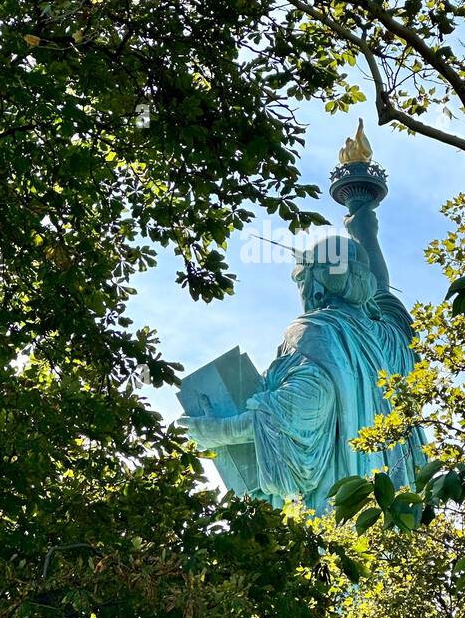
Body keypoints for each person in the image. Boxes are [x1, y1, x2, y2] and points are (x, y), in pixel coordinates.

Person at [179, 198, 424, 515]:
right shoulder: (392, 342)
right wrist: (366, 233)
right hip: (398, 518)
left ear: (317, 280)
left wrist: (212, 431)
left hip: (338, 514)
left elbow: (288, 415)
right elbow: (383, 295)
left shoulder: (313, 334)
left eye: (301, 277)